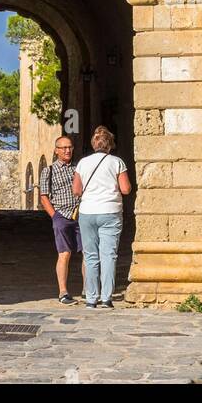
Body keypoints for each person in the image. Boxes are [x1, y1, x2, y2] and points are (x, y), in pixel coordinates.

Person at [71, 125, 131, 309]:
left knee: (90, 256)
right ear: (110, 145)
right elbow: (125, 189)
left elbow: (76, 190)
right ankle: (106, 298)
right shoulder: (117, 162)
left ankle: (91, 298)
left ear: (93, 144)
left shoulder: (83, 163)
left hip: (88, 212)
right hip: (110, 211)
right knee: (108, 255)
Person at [39, 134, 83, 304]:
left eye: (70, 147)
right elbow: (44, 196)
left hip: (80, 215)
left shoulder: (79, 168)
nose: (67, 150)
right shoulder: (48, 171)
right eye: (63, 148)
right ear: (56, 150)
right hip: (61, 216)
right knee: (64, 253)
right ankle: (63, 292)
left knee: (87, 253)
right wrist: (54, 216)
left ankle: (88, 290)